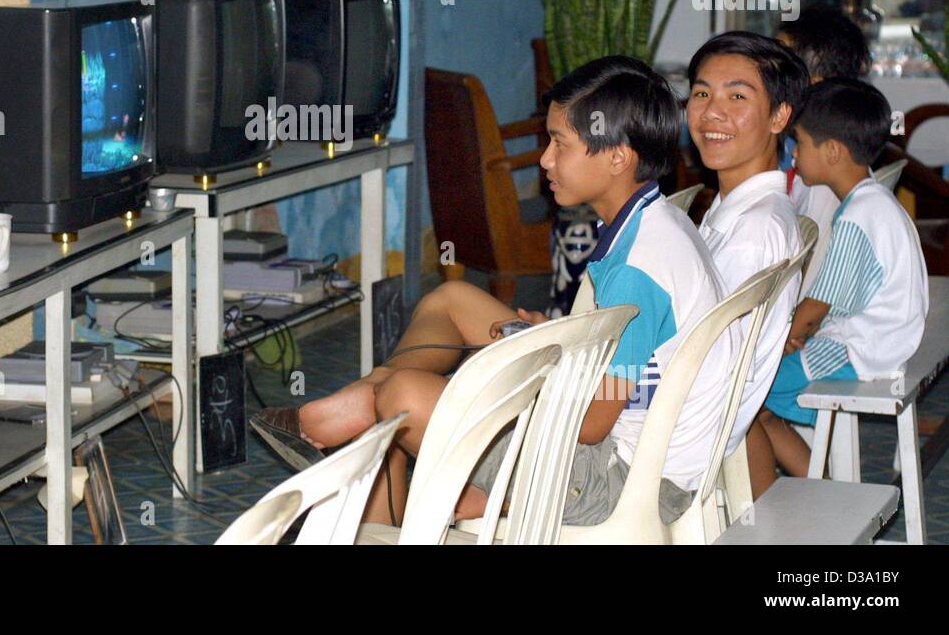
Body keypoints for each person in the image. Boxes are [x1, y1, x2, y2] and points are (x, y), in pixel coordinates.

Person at [251, 56, 726, 526]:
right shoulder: (657, 223)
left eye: (560, 143)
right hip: (626, 455)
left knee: (403, 400)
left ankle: (358, 417)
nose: (545, 159)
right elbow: (630, 364)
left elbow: (590, 424)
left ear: (618, 157)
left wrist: (517, 374)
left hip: (616, 479)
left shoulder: (639, 270)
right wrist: (554, 342)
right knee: (451, 300)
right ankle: (362, 404)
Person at [749, 78, 928, 493]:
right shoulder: (876, 199)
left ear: (832, 152)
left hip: (862, 349)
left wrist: (782, 337)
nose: (793, 155)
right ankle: (825, 489)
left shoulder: (856, 216)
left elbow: (817, 308)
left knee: (745, 390)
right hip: (883, 337)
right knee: (755, 399)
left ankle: (819, 498)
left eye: (801, 144)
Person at [686, 32, 808, 455]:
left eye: (737, 98)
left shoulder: (752, 233)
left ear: (779, 117)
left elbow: (709, 372)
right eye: (702, 93)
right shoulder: (736, 208)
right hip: (697, 416)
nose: (711, 113)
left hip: (683, 430)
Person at [775, 5, 873, 292]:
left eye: (779, 68)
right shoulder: (820, 152)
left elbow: (810, 280)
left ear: (816, 86)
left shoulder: (824, 180)